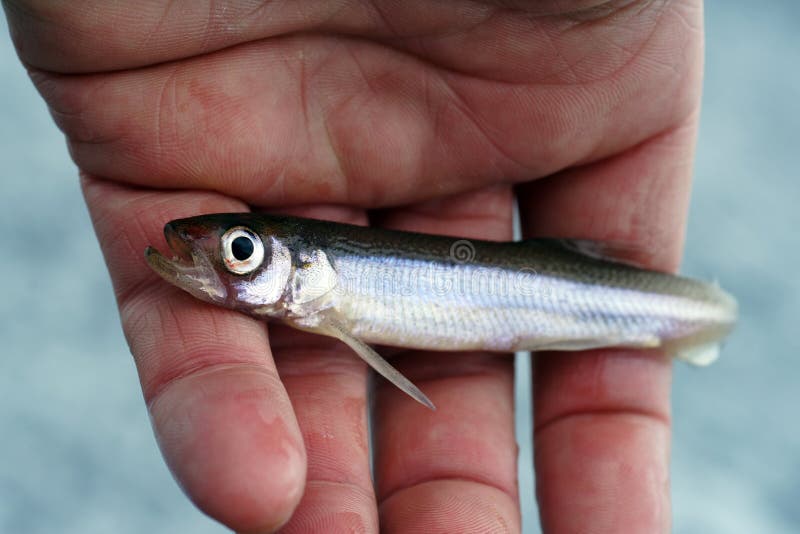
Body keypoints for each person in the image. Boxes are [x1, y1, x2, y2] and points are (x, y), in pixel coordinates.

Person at [4, 1, 703, 531]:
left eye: (240, 251)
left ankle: (700, 318)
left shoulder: (327, 300)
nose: (219, 259)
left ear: (307, 269)